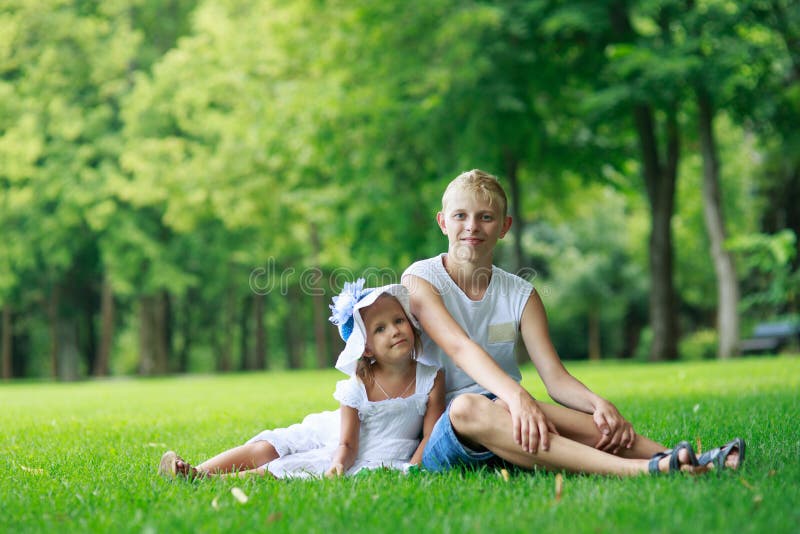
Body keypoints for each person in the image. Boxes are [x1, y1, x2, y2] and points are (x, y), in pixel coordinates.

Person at [402, 169, 744, 475]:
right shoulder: (421, 279)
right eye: (460, 216)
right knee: (469, 406)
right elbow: (460, 347)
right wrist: (519, 398)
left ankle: (693, 460)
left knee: (579, 421)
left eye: (486, 217)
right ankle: (639, 470)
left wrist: (598, 405)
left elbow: (555, 378)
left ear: (504, 227)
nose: (472, 226)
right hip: (447, 433)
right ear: (443, 222)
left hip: (511, 418)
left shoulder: (522, 294)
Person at [158, 282, 445, 479]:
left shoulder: (430, 377)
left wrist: (413, 469)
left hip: (382, 449)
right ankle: (198, 470)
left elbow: (430, 435)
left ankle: (208, 481)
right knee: (274, 447)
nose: (394, 331)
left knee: (292, 468)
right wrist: (339, 464)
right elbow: (347, 444)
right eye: (380, 329)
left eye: (398, 321)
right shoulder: (359, 385)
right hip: (341, 436)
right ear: (365, 348)